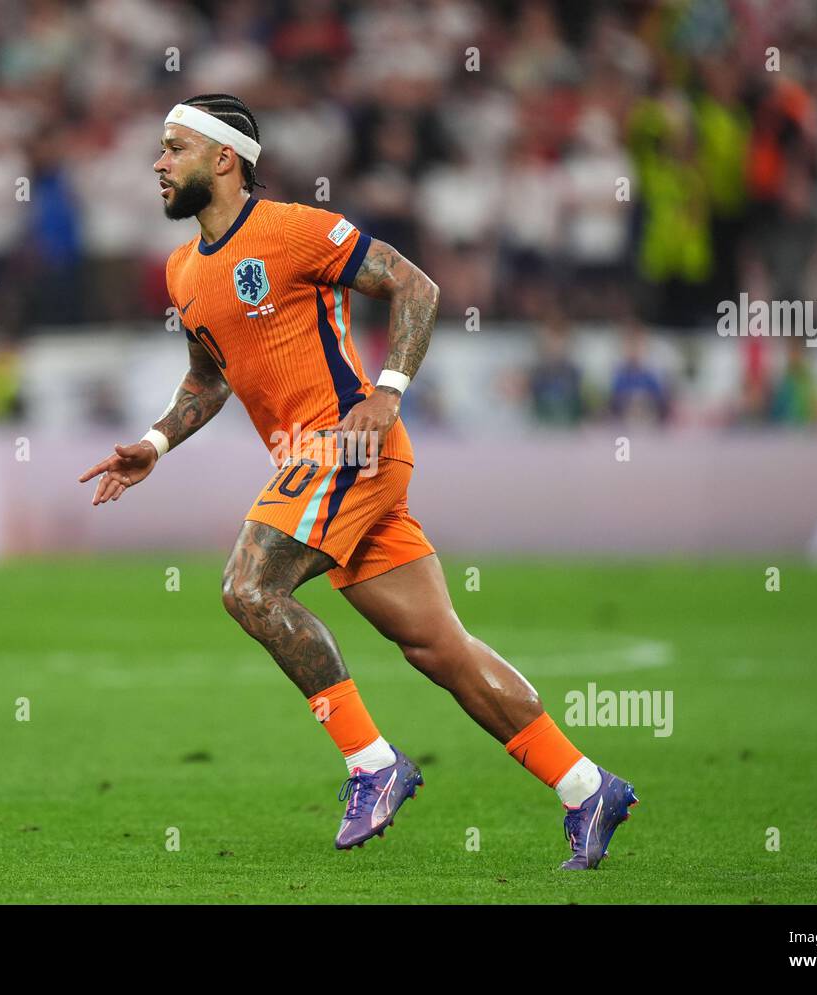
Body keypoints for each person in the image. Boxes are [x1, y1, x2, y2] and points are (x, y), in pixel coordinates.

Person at [78, 94, 637, 868]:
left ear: (224, 159)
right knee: (439, 647)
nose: (157, 163)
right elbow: (209, 377)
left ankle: (372, 765)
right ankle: (585, 785)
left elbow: (417, 287)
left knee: (248, 587)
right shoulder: (183, 271)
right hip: (315, 467)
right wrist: (154, 442)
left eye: (173, 148)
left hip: (346, 446)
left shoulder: (295, 228)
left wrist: (387, 392)